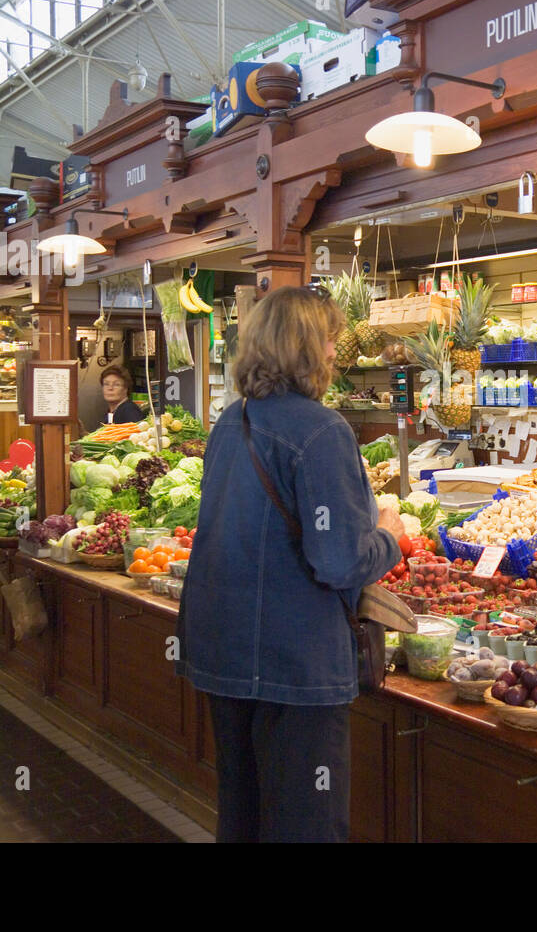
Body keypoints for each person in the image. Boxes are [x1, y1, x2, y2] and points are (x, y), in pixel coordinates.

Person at [174, 285, 406, 842]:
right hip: (293, 662)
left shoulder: (232, 421)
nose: (334, 354)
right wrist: (390, 537)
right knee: (307, 822)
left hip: (223, 648)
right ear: (304, 348)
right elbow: (338, 560)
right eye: (328, 342)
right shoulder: (322, 430)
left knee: (243, 811)